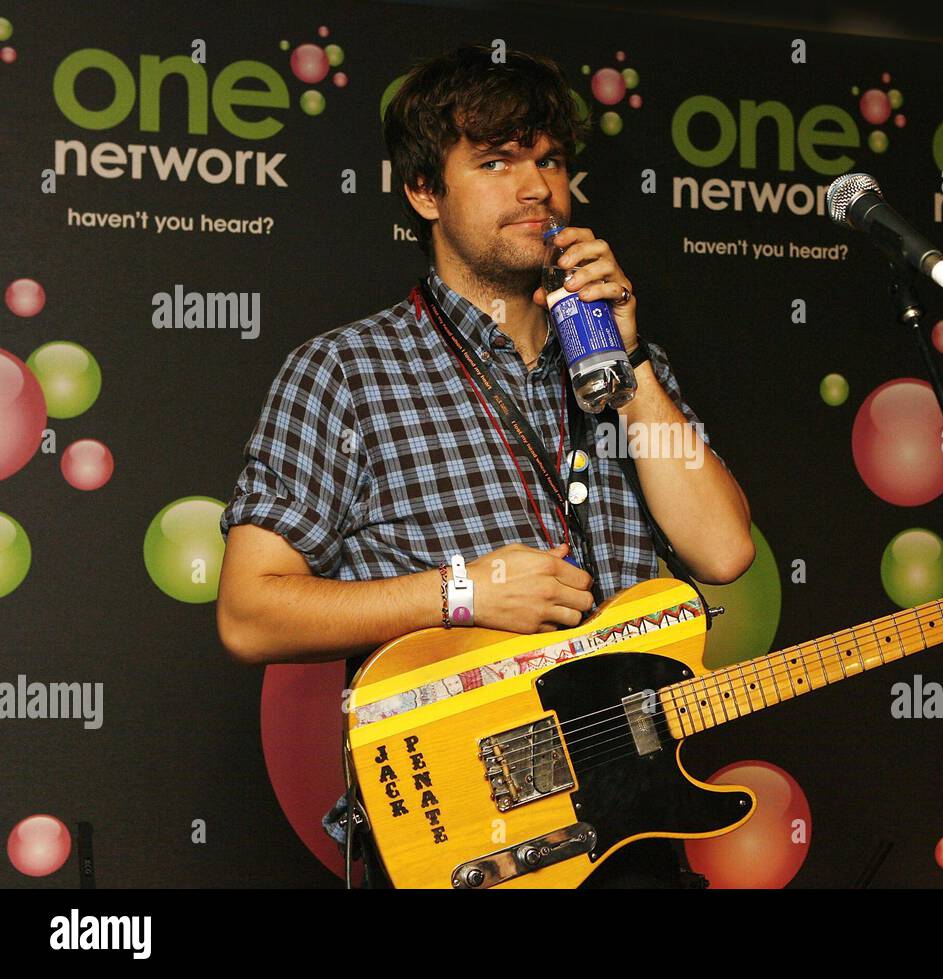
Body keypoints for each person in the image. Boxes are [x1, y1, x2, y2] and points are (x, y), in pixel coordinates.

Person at [215, 43, 754, 888]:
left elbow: (724, 551)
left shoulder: (620, 369)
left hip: (634, 836)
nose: (535, 188)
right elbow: (250, 612)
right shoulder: (346, 372)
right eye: (496, 162)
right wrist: (463, 591)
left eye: (549, 161)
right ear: (424, 191)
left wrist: (631, 355)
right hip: (470, 840)